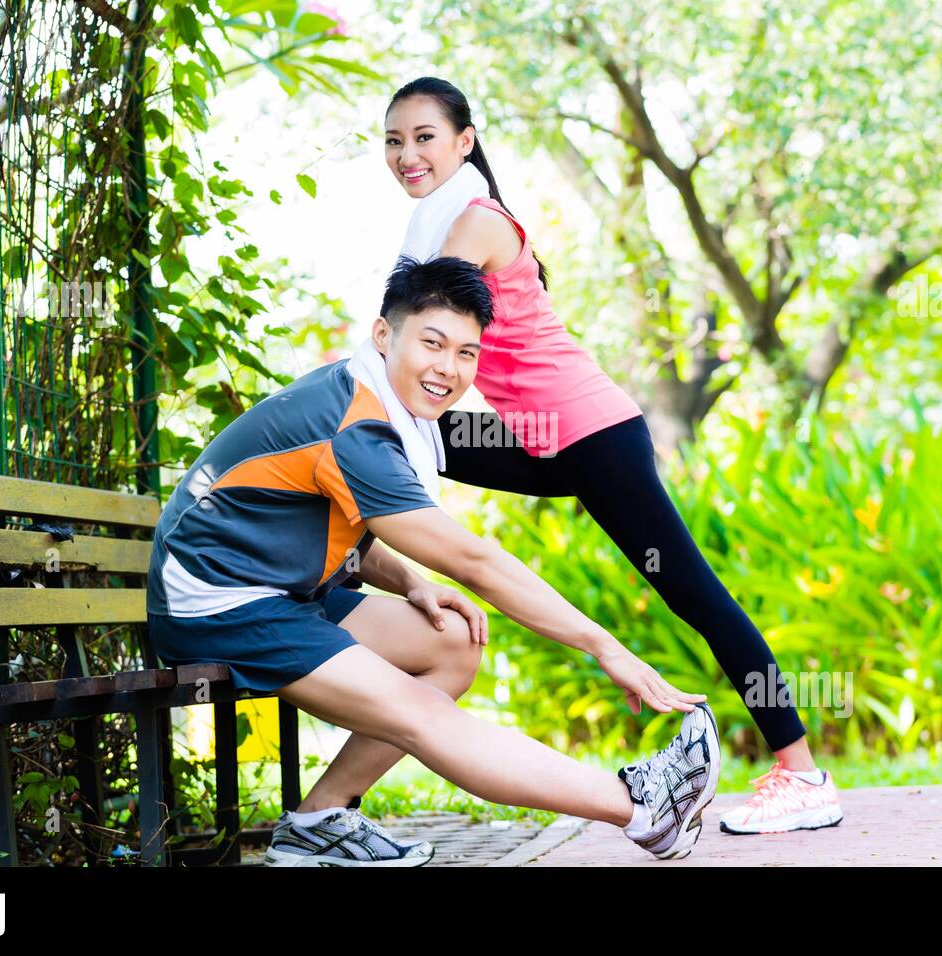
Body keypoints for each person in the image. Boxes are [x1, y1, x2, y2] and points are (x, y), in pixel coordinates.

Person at [146, 256, 721, 866]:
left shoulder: (370, 398)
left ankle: (318, 822)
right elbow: (475, 562)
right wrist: (604, 646)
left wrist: (411, 583)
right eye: (433, 343)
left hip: (282, 590)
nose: (448, 369)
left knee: (451, 642)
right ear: (383, 335)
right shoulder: (355, 423)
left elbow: (334, 524)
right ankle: (642, 808)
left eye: (468, 353)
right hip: (217, 603)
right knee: (422, 713)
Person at [383, 76, 844, 836]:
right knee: (417, 438)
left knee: (697, 596)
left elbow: (420, 310)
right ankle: (348, 525)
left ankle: (802, 774)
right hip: (546, 439)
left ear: (464, 142)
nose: (407, 154)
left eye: (424, 136)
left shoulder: (476, 221)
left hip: (592, 436)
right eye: (395, 141)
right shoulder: (448, 217)